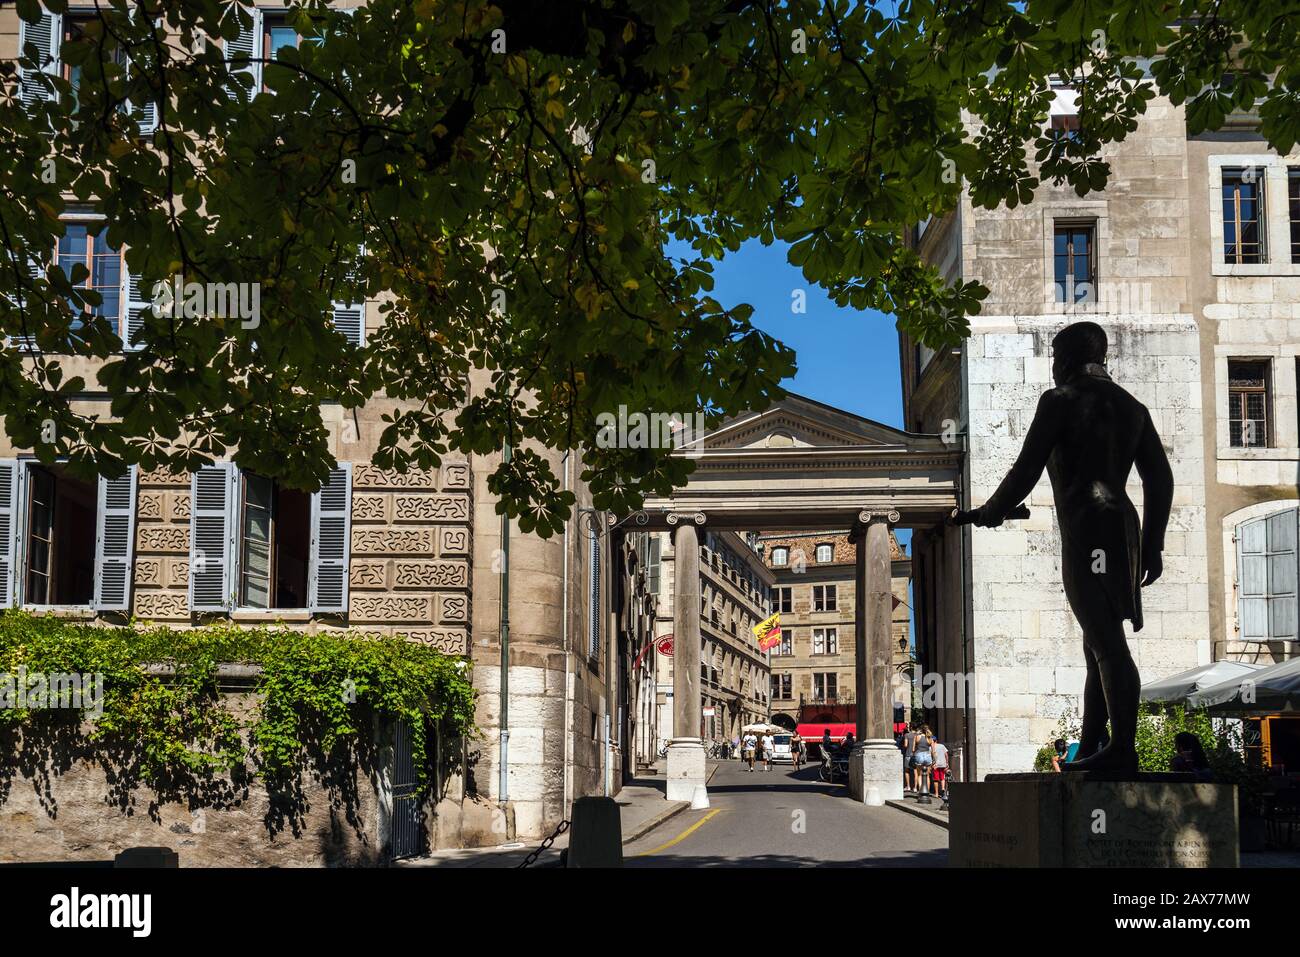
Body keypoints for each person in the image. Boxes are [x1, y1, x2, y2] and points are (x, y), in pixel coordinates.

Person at [968, 322, 1172, 775]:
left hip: (1087, 526)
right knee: (1094, 644)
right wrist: (1153, 543)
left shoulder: (1060, 401)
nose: (1054, 365)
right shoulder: (1131, 406)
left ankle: (1121, 749)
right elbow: (1159, 478)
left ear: (1072, 357)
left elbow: (1026, 470)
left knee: (1107, 644)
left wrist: (992, 509)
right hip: (1124, 524)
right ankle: (1095, 744)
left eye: (1056, 356)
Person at [910, 723, 933, 795]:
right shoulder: (930, 738)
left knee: (919, 775)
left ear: (921, 730)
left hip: (919, 755)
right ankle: (927, 792)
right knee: (928, 776)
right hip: (927, 755)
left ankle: (921, 792)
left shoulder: (917, 737)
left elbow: (913, 749)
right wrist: (934, 759)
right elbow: (933, 750)